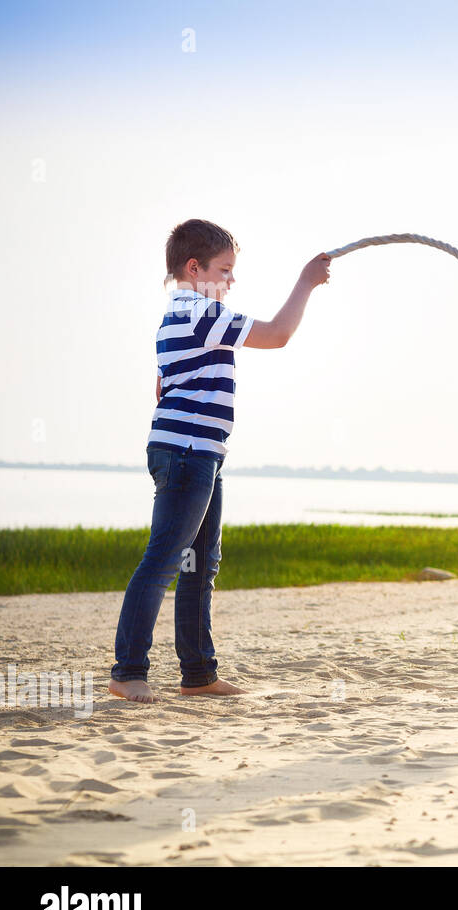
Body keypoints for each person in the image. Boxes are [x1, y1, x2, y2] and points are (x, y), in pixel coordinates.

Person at [109, 219, 331, 703]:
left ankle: (198, 675)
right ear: (195, 268)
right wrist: (306, 282)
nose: (231, 281)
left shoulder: (178, 316)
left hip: (201, 453)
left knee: (198, 565)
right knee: (165, 561)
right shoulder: (201, 312)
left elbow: (164, 385)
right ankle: (127, 672)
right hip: (188, 454)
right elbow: (277, 334)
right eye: (225, 270)